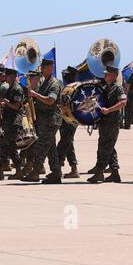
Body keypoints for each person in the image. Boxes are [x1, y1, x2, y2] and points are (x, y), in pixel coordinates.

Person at [24, 56, 62, 184]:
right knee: (50, 148)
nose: (41, 70)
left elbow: (50, 100)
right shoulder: (45, 81)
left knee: (41, 147)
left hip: (51, 120)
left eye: (44, 68)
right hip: (45, 120)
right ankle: (56, 173)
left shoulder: (53, 83)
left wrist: (35, 95)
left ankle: (35, 172)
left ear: (49, 68)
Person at [88, 66, 125, 183]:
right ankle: (115, 173)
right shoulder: (105, 87)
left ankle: (99, 172)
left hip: (112, 123)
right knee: (109, 147)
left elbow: (123, 102)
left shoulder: (118, 88)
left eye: (107, 74)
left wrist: (109, 110)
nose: (105, 76)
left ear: (114, 75)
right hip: (104, 123)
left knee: (104, 148)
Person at [57, 65, 81, 178]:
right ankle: (74, 168)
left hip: (69, 120)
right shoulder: (74, 87)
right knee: (68, 143)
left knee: (64, 143)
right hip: (69, 119)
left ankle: (58, 165)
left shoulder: (73, 89)